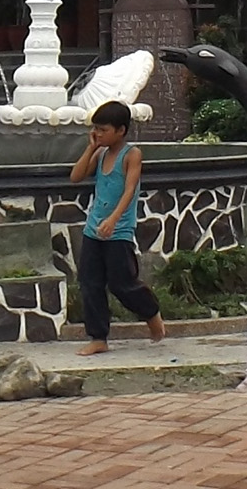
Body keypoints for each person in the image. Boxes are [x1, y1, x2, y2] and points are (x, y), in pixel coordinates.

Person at [68, 100, 166, 357]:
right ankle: (98, 337)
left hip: (118, 231)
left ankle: (151, 313)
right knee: (90, 283)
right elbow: (76, 176)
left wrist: (113, 219)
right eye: (96, 129)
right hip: (94, 230)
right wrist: (90, 149)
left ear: (121, 130)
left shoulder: (132, 154)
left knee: (122, 283)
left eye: (103, 129)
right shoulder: (100, 153)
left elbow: (130, 189)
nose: (98, 134)